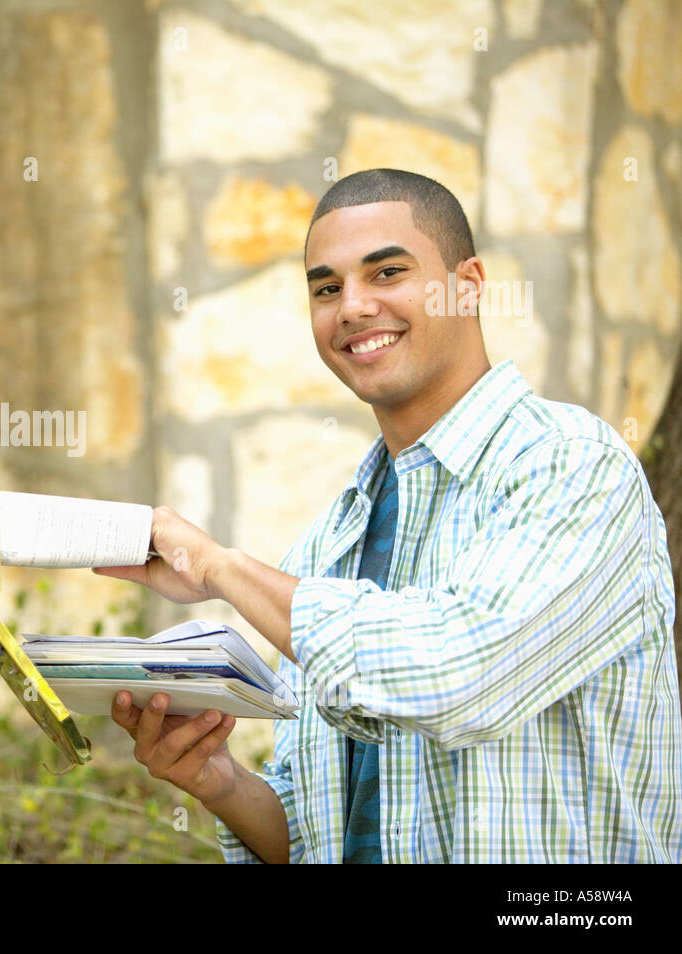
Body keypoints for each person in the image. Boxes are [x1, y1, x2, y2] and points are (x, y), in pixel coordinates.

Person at [94, 168, 682, 863]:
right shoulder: (326, 550)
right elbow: (320, 835)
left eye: (388, 272)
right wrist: (218, 783)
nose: (352, 307)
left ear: (469, 285)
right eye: (326, 288)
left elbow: (459, 677)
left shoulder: (573, 470)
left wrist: (221, 568)